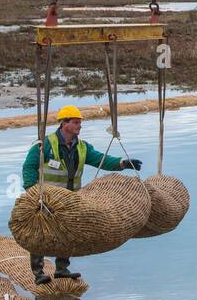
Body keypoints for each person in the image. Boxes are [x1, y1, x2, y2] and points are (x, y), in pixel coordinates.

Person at [21, 104, 142, 284]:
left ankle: (62, 269)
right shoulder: (45, 145)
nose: (79, 126)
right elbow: (29, 167)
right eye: (76, 122)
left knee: (68, 232)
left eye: (80, 123)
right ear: (64, 124)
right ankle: (39, 273)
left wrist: (123, 163)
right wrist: (32, 191)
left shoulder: (82, 147)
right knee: (40, 233)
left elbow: (101, 160)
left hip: (70, 198)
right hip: (46, 199)